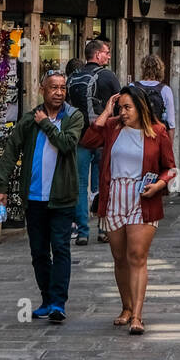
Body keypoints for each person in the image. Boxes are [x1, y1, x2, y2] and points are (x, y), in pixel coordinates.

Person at [81, 86, 176, 335]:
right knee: (120, 257)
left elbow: (171, 168)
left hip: (143, 199)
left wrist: (159, 185)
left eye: (127, 108)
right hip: (114, 198)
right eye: (120, 107)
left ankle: (137, 315)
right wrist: (105, 112)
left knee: (137, 256)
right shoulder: (112, 127)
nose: (122, 113)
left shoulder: (157, 131)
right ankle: (126, 307)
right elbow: (88, 140)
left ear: (140, 107)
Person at [0, 69, 83, 323]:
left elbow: (66, 144)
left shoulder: (73, 117)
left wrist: (46, 124)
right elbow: (11, 150)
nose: (59, 92)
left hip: (62, 197)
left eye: (63, 88)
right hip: (34, 198)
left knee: (61, 248)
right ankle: (46, 298)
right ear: (42, 89)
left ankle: (58, 302)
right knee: (39, 252)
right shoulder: (29, 119)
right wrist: (1, 188)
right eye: (54, 87)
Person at [67, 38, 121, 246]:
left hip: (80, 139)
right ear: (97, 55)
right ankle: (102, 228)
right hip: (103, 138)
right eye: (106, 52)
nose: (108, 55)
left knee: (80, 185)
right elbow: (120, 106)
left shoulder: (72, 78)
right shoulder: (108, 76)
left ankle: (81, 231)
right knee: (104, 182)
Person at [137, 53, 175, 135]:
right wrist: (169, 146)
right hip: (157, 134)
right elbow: (171, 123)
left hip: (137, 132)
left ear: (142, 69)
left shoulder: (133, 87)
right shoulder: (165, 90)